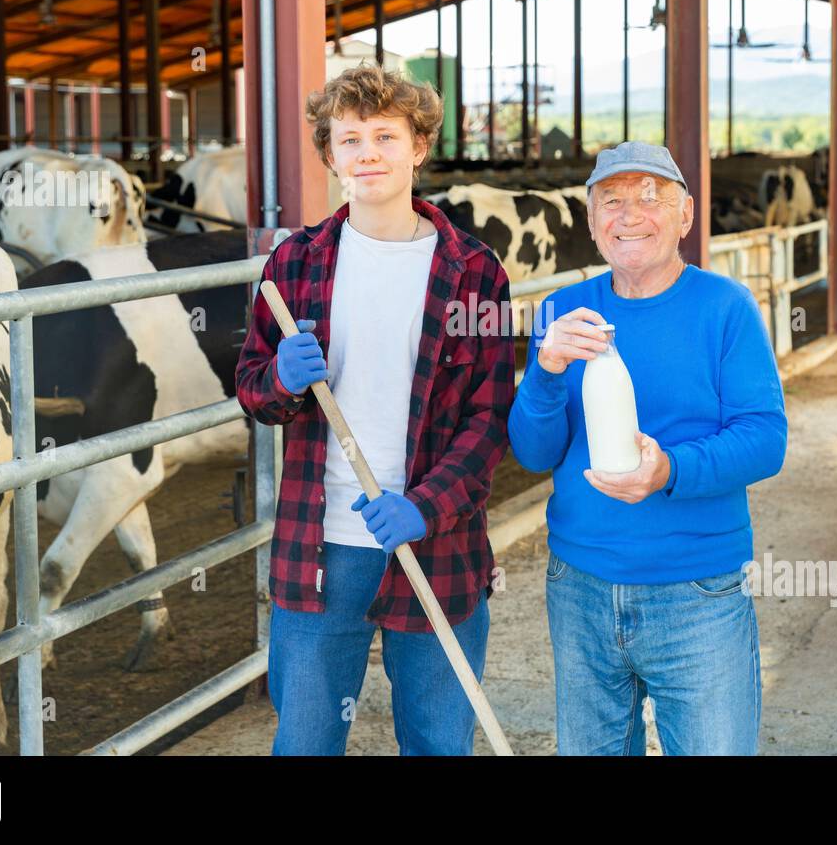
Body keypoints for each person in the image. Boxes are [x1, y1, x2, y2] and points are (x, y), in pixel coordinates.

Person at [235, 63, 514, 756]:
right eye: (349, 139)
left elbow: (488, 419)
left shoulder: (474, 271)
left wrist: (426, 503)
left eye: (385, 136)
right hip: (322, 548)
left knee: (439, 744)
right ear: (330, 155)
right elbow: (250, 389)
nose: (367, 155)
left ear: (419, 147)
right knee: (305, 743)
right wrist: (280, 378)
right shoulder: (295, 265)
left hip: (437, 543)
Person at [508, 141, 787, 755]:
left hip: (698, 592)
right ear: (590, 220)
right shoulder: (564, 312)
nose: (629, 214)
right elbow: (533, 453)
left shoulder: (725, 308)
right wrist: (546, 370)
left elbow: (765, 440)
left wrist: (670, 470)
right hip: (579, 584)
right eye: (611, 200)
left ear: (685, 216)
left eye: (650, 197)